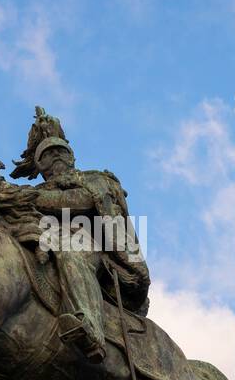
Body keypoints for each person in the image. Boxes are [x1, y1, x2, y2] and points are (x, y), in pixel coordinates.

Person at [11, 107, 150, 363]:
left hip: (93, 250)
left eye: (59, 151)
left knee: (71, 252)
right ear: (39, 165)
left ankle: (89, 327)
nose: (55, 156)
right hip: (44, 243)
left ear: (71, 155)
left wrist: (26, 196)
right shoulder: (33, 194)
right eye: (48, 154)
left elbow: (81, 201)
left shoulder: (96, 180)